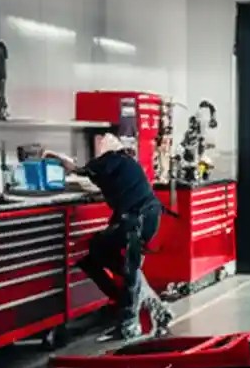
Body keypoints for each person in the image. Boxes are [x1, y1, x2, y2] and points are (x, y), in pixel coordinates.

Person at [45, 134, 173, 341]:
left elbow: (79, 170)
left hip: (136, 220)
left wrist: (58, 158)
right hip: (145, 217)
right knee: (106, 257)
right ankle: (153, 309)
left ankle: (129, 324)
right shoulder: (125, 162)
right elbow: (85, 172)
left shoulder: (109, 162)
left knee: (127, 269)